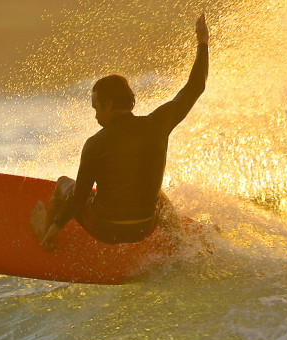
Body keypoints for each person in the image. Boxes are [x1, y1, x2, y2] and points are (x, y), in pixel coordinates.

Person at [32, 13, 209, 250]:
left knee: (64, 183)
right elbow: (195, 86)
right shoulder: (158, 123)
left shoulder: (95, 143)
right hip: (144, 227)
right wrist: (202, 42)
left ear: (109, 105)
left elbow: (79, 198)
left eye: (97, 108)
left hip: (104, 229)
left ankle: (43, 236)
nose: (95, 116)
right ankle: (182, 246)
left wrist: (55, 228)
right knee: (160, 198)